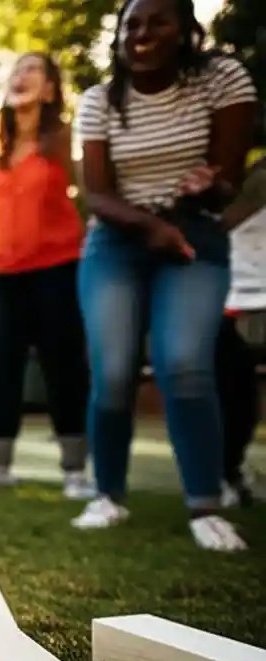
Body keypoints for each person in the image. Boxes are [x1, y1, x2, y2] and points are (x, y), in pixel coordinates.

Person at [72, 0, 257, 551]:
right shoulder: (100, 100)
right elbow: (97, 194)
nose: (142, 33)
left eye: (158, 21)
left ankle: (206, 503)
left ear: (185, 30)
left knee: (184, 364)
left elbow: (231, 173)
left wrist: (210, 186)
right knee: (113, 373)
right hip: (117, 241)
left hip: (194, 236)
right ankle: (107, 495)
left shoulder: (222, 78)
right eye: (132, 23)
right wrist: (150, 228)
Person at [0, 53, 94, 499]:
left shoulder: (63, 139)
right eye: (16, 71)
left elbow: (91, 197)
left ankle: (75, 471)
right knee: (1, 368)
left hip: (56, 268)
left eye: (32, 71)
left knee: (63, 366)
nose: (20, 77)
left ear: (51, 89)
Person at [216, 157, 266, 508]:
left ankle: (228, 472)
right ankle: (227, 472)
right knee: (236, 396)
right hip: (234, 300)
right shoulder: (247, 179)